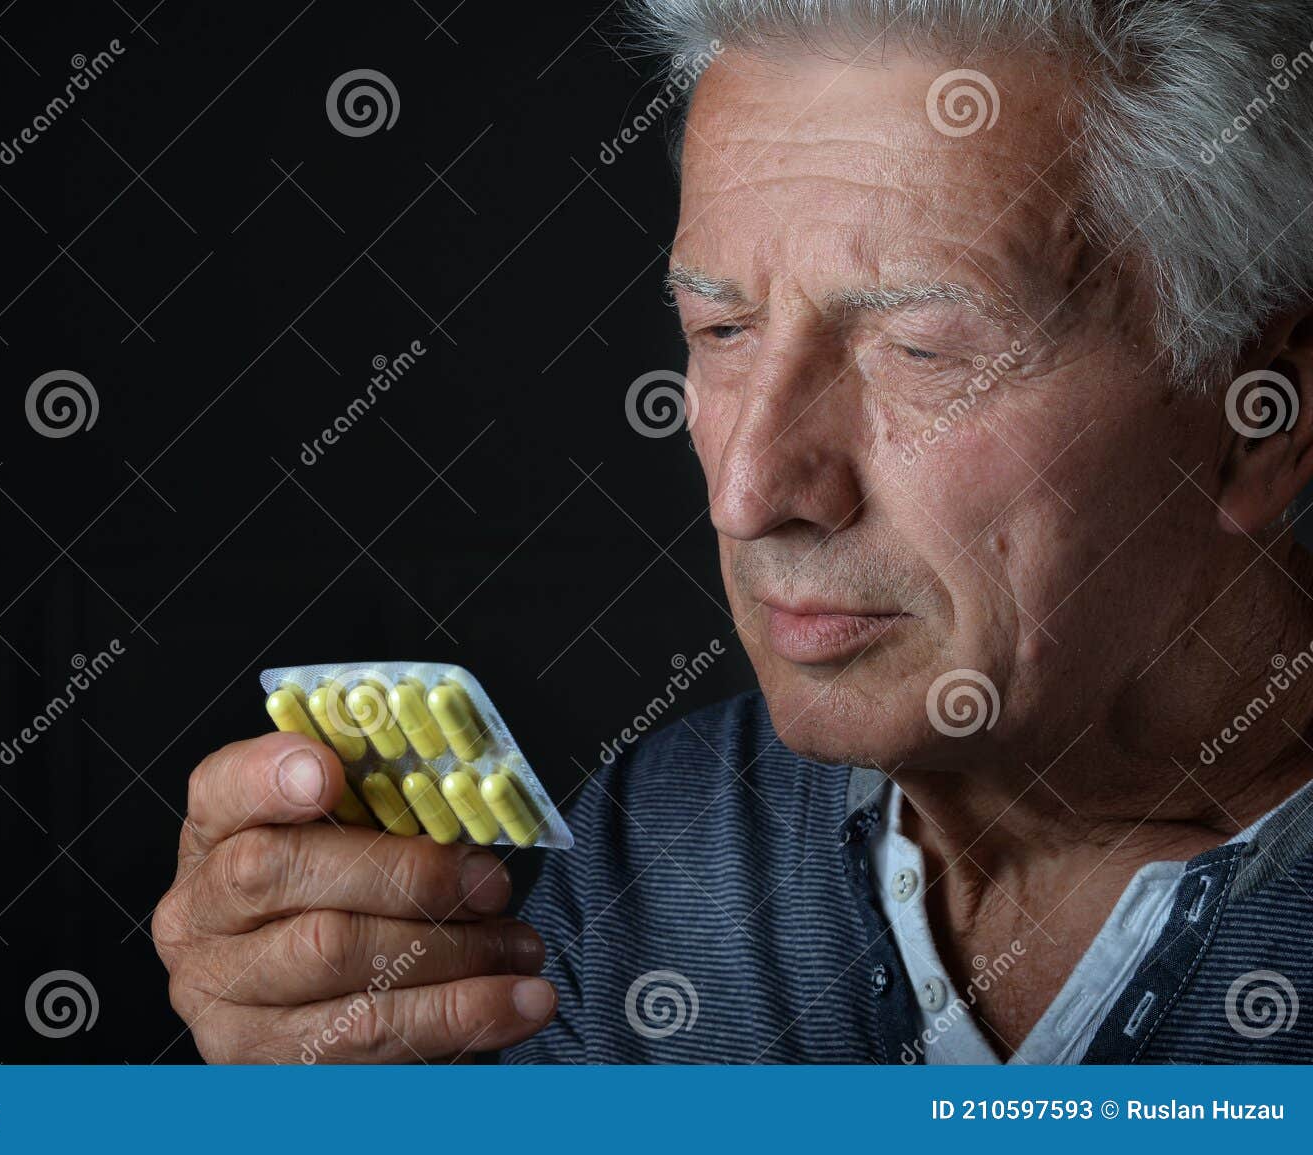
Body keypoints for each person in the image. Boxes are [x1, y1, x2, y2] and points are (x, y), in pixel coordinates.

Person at [154, 0, 1313, 1062]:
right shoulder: (649, 855)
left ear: (1259, 420)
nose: (748, 491)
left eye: (920, 351)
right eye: (720, 329)